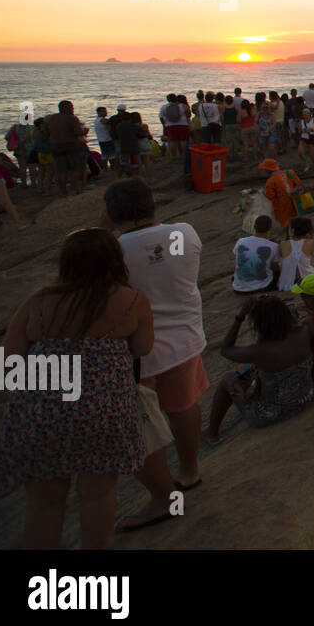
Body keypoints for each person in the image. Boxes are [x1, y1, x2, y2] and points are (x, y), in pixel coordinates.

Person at [0, 228, 153, 548]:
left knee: (44, 506)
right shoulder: (132, 300)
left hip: (42, 414)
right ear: (115, 261)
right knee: (98, 496)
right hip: (105, 412)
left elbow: (8, 360)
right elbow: (143, 348)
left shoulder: (39, 300)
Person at [101, 178, 207, 532]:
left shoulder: (113, 251)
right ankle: (189, 472)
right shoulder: (185, 233)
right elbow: (164, 262)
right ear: (152, 205)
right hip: (185, 336)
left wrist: (106, 229)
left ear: (113, 214)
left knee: (139, 423)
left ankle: (162, 498)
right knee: (182, 407)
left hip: (136, 348)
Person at [205, 295, 314, 444]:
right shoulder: (304, 331)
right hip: (306, 397)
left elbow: (225, 350)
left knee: (228, 379)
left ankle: (212, 434)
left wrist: (240, 317)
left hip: (270, 414)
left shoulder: (259, 351)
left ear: (260, 324)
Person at [44, 100, 88, 196]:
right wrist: (85, 131)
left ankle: (62, 191)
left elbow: (45, 133)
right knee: (74, 169)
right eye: (71, 107)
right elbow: (78, 133)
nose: (73, 109)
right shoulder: (72, 118)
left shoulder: (50, 119)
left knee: (61, 170)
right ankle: (73, 189)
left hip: (55, 146)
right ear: (65, 108)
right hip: (70, 145)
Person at [233, 214, 281, 294]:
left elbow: (237, 258)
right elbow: (275, 267)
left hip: (238, 289)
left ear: (254, 227)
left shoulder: (241, 241)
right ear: (269, 229)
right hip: (262, 287)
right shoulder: (273, 246)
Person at [260, 158, 302, 229]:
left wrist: (262, 193)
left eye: (265, 168)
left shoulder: (271, 181)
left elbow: (270, 196)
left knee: (286, 223)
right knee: (295, 219)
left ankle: (289, 235)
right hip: (295, 200)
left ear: (268, 169)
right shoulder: (290, 172)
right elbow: (298, 183)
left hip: (282, 205)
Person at [277, 217, 314, 292]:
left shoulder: (283, 244)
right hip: (306, 279)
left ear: (292, 230)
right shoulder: (310, 243)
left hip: (286, 284)